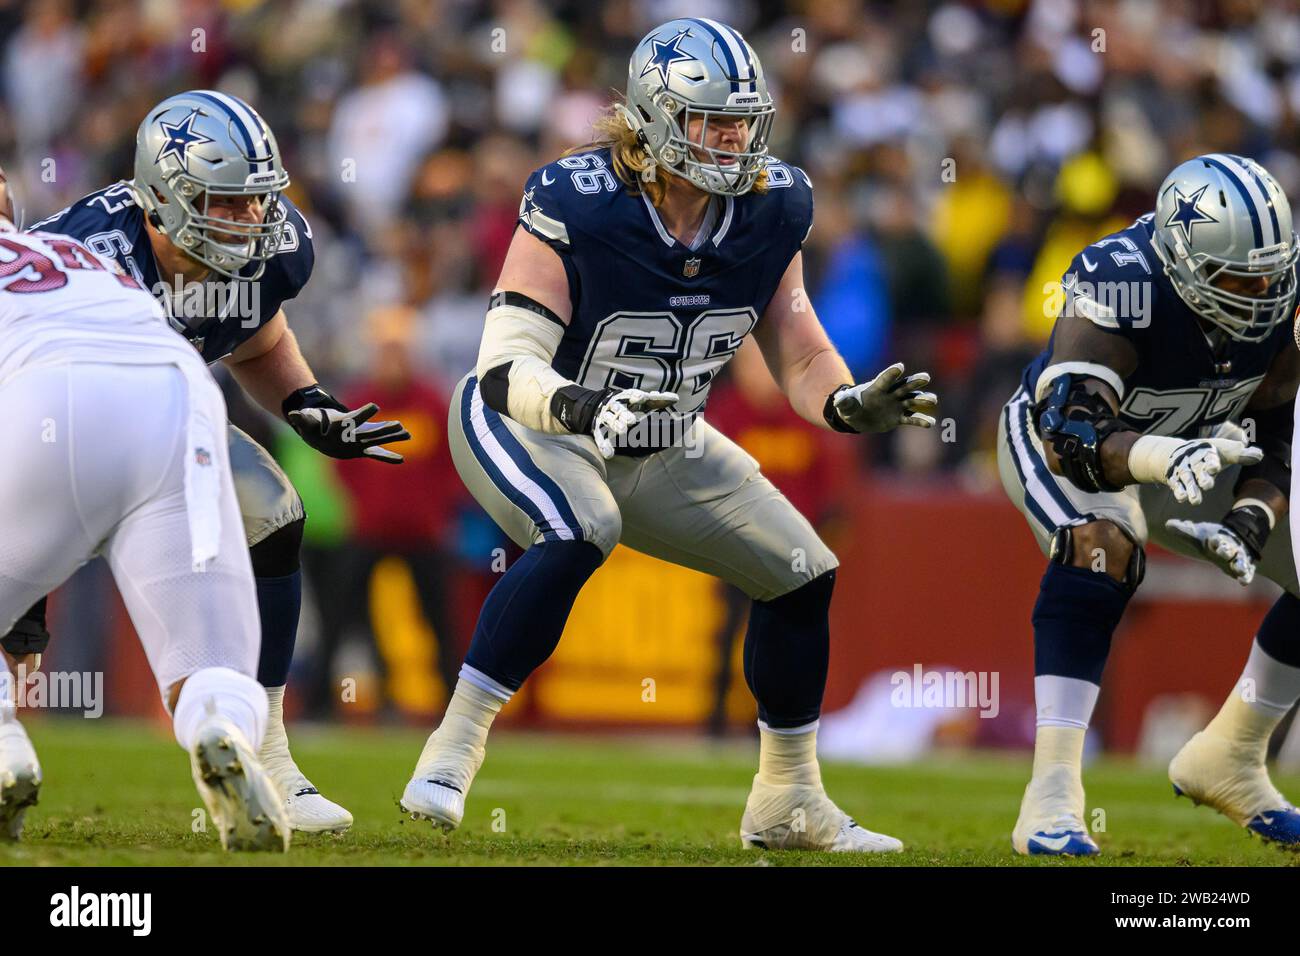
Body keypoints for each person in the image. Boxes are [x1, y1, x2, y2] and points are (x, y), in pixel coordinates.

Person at [399, 18, 937, 853]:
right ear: (651, 120)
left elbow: (798, 349)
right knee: (583, 528)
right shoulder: (579, 200)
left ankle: (788, 799)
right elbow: (505, 365)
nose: (731, 140)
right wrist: (586, 410)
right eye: (709, 120)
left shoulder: (771, 207)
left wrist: (844, 404)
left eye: (741, 120)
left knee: (801, 573)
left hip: (659, 433)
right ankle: (455, 747)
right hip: (533, 419)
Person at [14, 90, 412, 833]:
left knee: (274, 516)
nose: (249, 221)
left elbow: (254, 337)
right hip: (47, 426)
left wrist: (304, 400)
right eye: (223, 205)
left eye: (255, 202)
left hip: (160, 427)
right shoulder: (91, 258)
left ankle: (268, 760)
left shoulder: (273, 245)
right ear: (162, 198)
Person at [998, 154, 1300, 854]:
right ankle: (1051, 794)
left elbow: (1275, 428)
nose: (1263, 293)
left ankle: (1231, 754)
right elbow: (1071, 429)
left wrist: (1252, 518)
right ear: (1183, 260)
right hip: (1068, 442)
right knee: (1102, 546)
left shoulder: (1281, 298)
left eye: (1272, 273)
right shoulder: (1121, 281)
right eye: (1241, 276)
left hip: (1200, 453)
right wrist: (1164, 457)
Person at [0, 166, 289, 851]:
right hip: (178, 394)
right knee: (211, 656)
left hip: (51, 398)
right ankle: (219, 723)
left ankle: (5, 747)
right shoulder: (67, 252)